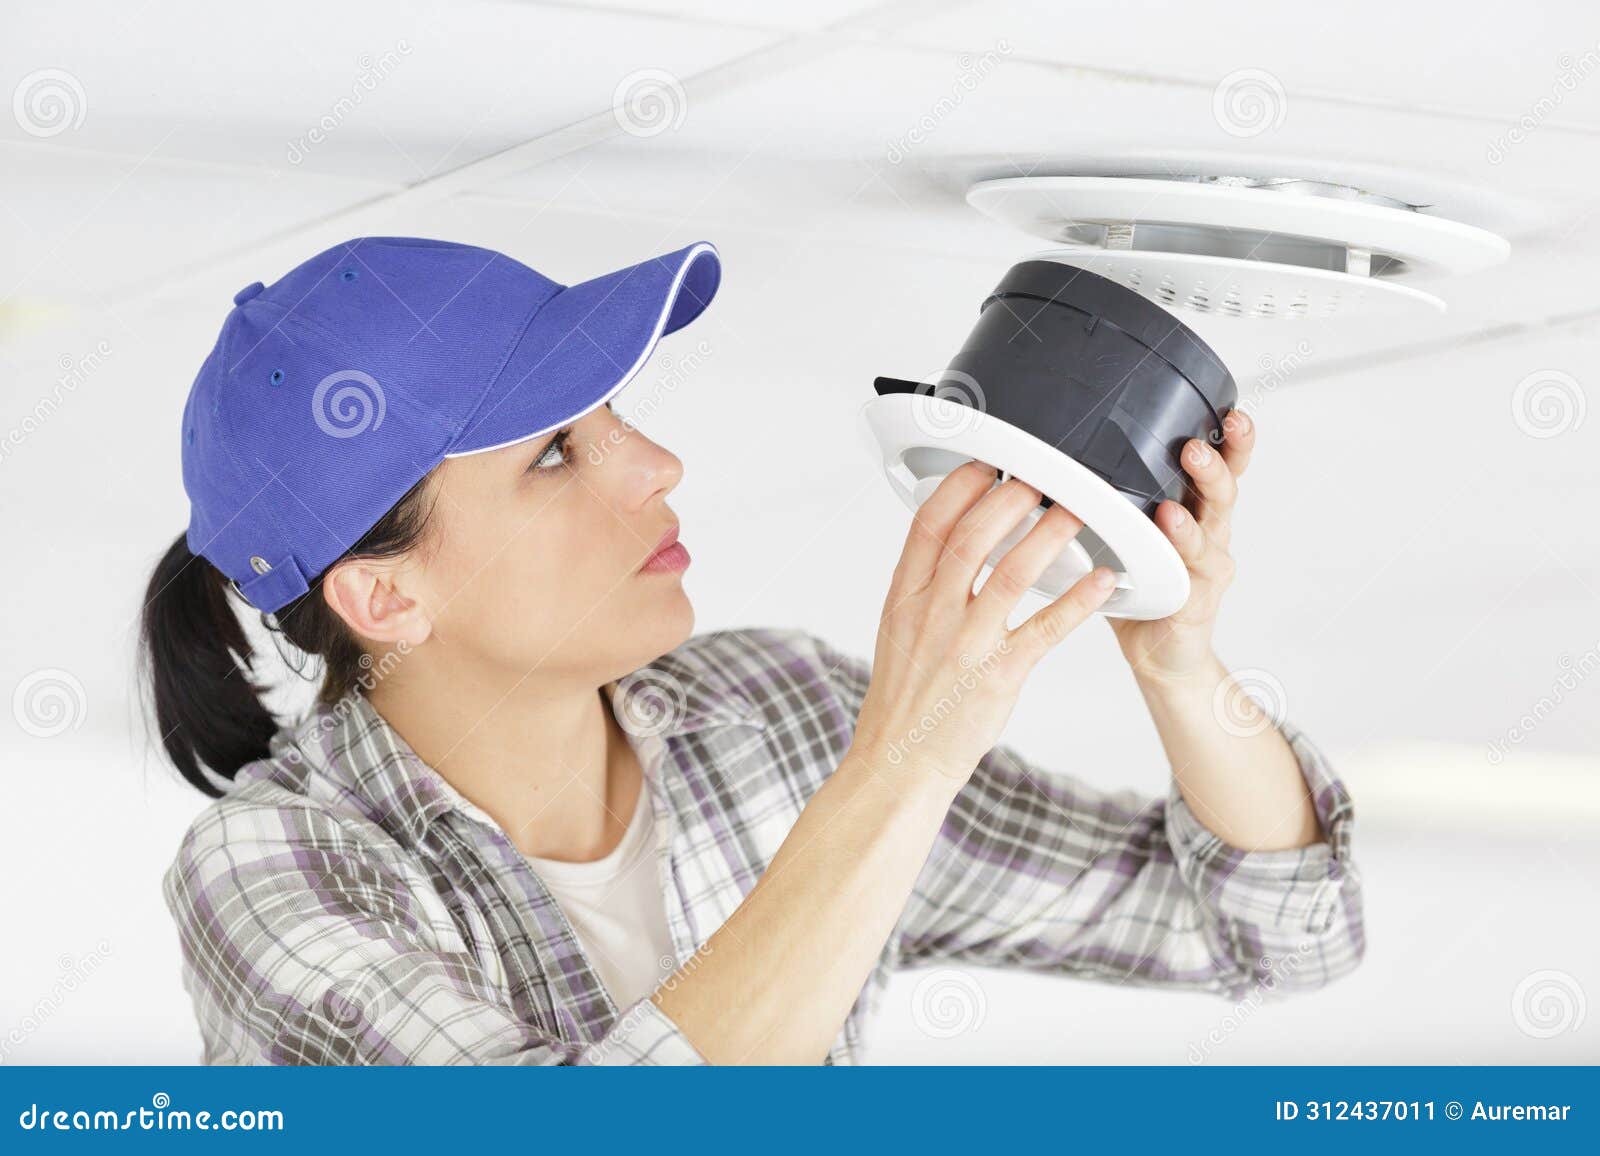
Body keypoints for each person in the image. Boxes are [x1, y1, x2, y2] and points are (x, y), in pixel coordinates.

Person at [139, 235, 1364, 1065]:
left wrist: (1174, 658)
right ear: (384, 596)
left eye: (615, 418)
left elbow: (1277, 935)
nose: (657, 464)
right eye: (555, 453)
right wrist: (899, 768)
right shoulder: (271, 871)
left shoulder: (778, 715)